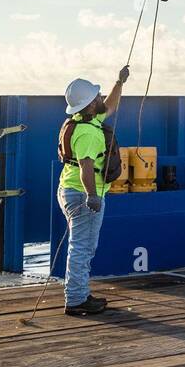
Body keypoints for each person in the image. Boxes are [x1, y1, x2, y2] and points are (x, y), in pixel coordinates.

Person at [57, 66, 129, 316]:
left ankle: (79, 293)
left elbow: (111, 106)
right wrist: (92, 196)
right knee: (82, 247)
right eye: (95, 98)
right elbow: (86, 168)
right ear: (88, 106)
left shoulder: (85, 121)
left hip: (71, 191)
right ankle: (76, 299)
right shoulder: (88, 132)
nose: (100, 99)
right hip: (82, 195)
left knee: (83, 245)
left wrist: (119, 83)